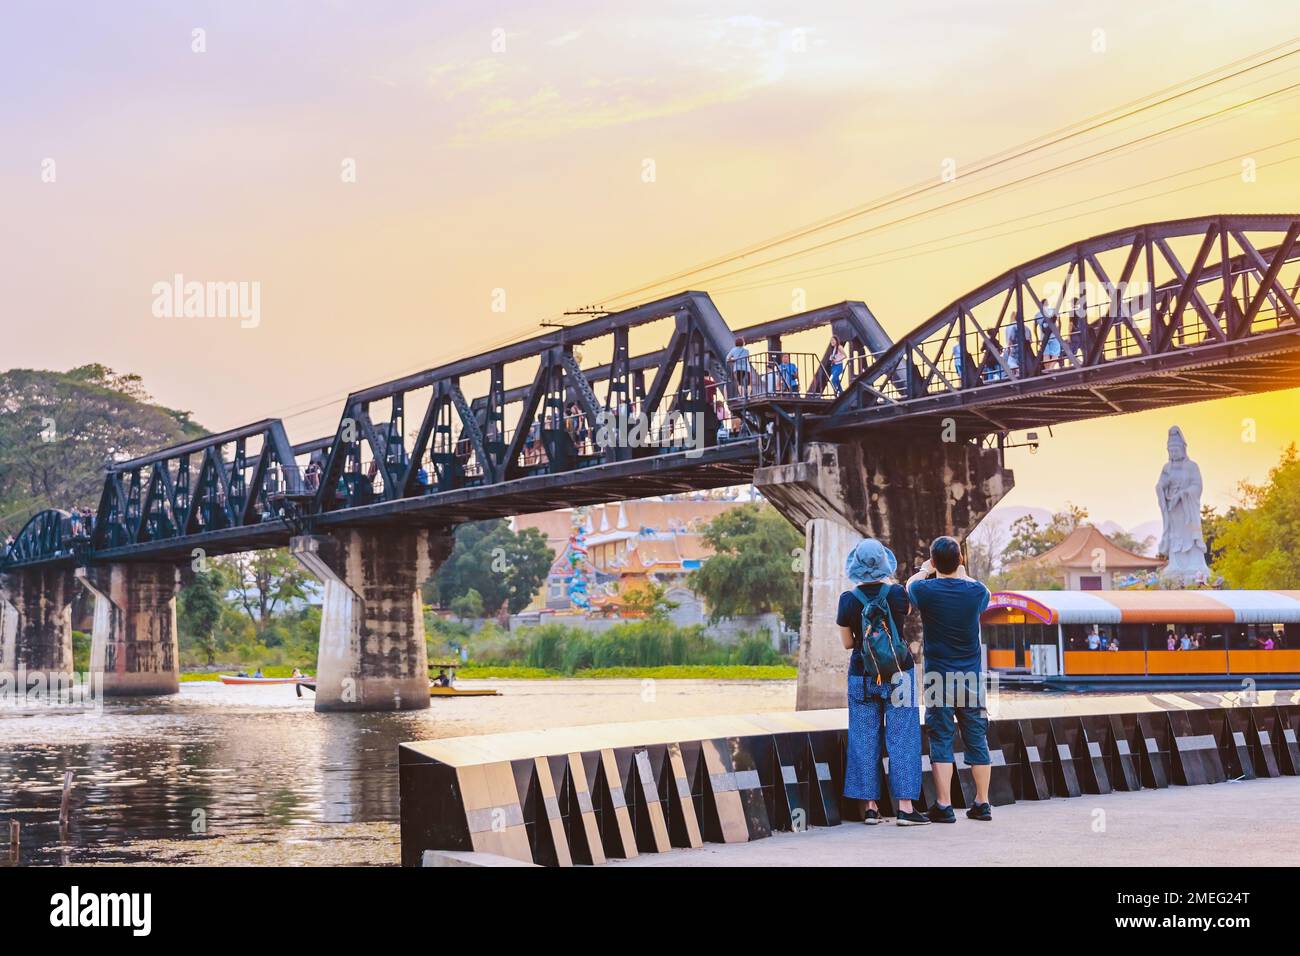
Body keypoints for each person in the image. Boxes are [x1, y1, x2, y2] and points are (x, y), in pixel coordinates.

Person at [837, 538, 928, 826]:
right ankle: (905, 808)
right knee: (903, 737)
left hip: (862, 676)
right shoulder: (898, 594)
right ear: (884, 564)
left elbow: (848, 643)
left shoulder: (847, 600)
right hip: (899, 675)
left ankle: (871, 809)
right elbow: (908, 612)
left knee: (864, 739)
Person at [906, 536, 993, 823]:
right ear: (961, 560)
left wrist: (925, 568)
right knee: (976, 737)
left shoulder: (926, 589)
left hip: (938, 678)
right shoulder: (977, 591)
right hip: (972, 680)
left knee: (940, 738)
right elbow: (980, 587)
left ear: (934, 562)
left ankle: (943, 805)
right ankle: (982, 802)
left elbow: (909, 585)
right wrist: (961, 571)